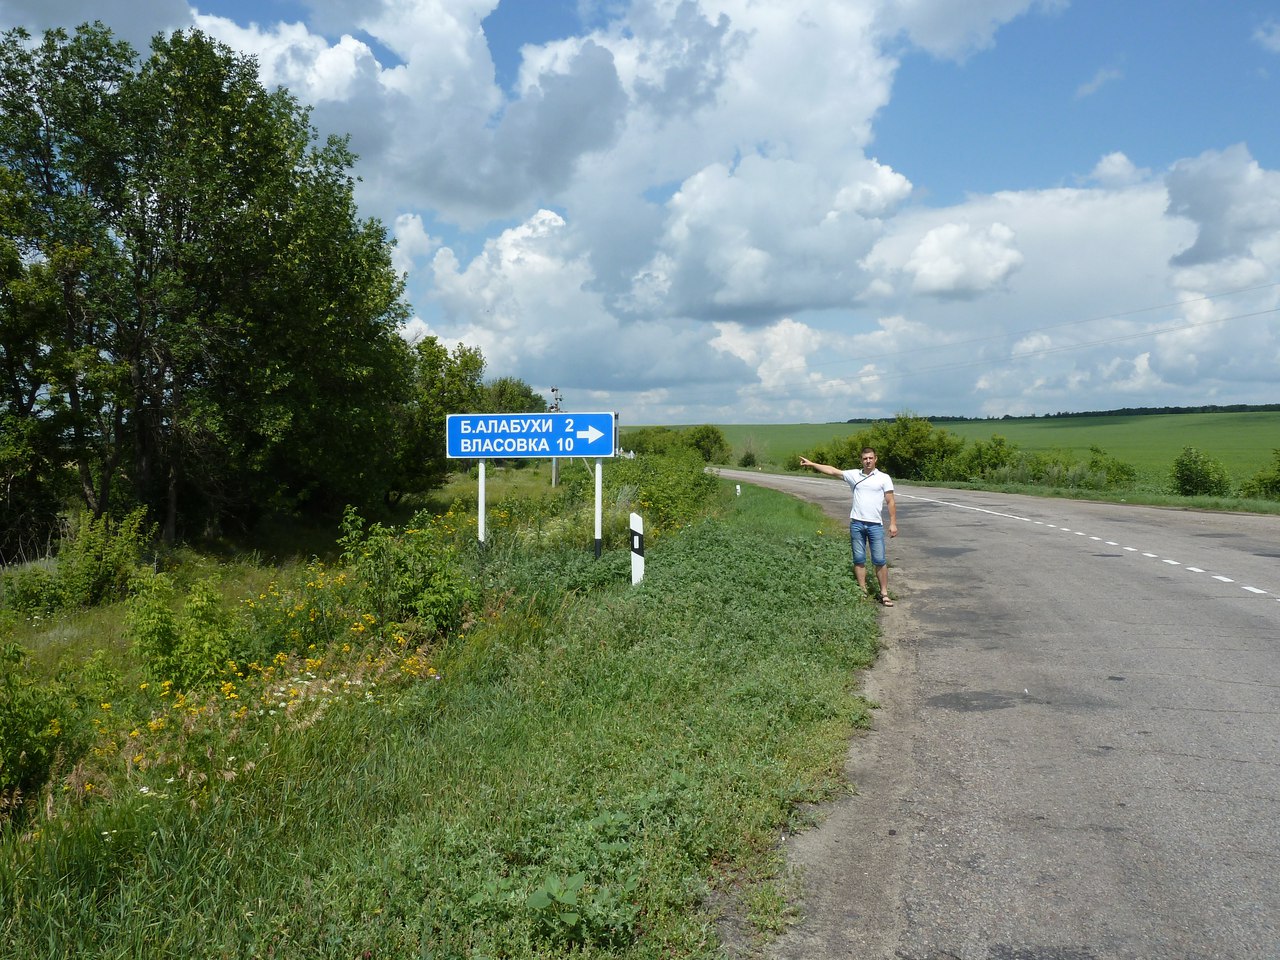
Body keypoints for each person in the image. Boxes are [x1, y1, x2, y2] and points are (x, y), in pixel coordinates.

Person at [799, 447, 899, 605]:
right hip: (857, 524)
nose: (868, 461)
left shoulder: (884, 478)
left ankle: (884, 593)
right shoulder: (854, 475)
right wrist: (812, 464)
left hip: (875, 525)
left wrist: (893, 523)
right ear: (861, 460)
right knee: (859, 559)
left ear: (876, 459)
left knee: (879, 560)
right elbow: (832, 471)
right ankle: (863, 591)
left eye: (870, 458)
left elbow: (890, 501)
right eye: (865, 458)